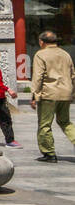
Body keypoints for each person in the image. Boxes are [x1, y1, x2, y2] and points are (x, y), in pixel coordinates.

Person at [31, 30, 75, 163]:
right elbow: (73, 74)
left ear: (41, 42)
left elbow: (38, 77)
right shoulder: (65, 54)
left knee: (45, 124)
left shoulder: (40, 54)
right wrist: (72, 93)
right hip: (65, 93)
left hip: (49, 93)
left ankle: (49, 153)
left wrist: (35, 96)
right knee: (65, 121)